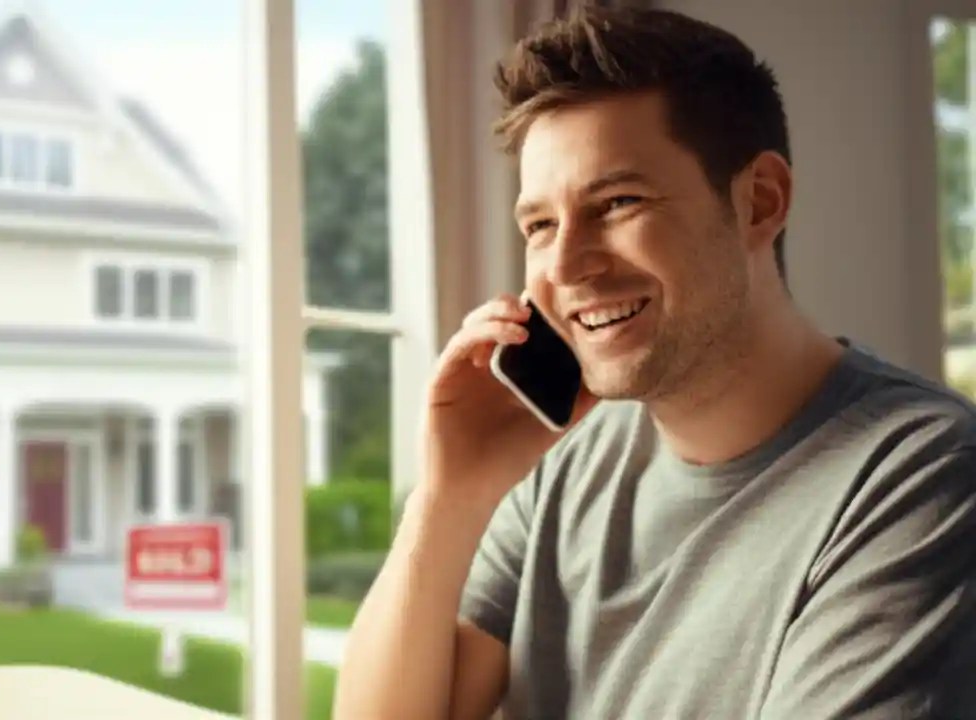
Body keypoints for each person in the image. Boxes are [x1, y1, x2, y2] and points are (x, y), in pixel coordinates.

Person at [333, 6, 976, 719]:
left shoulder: (923, 475)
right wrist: (446, 500)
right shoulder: (562, 463)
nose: (568, 265)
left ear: (761, 201)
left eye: (617, 202)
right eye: (540, 225)